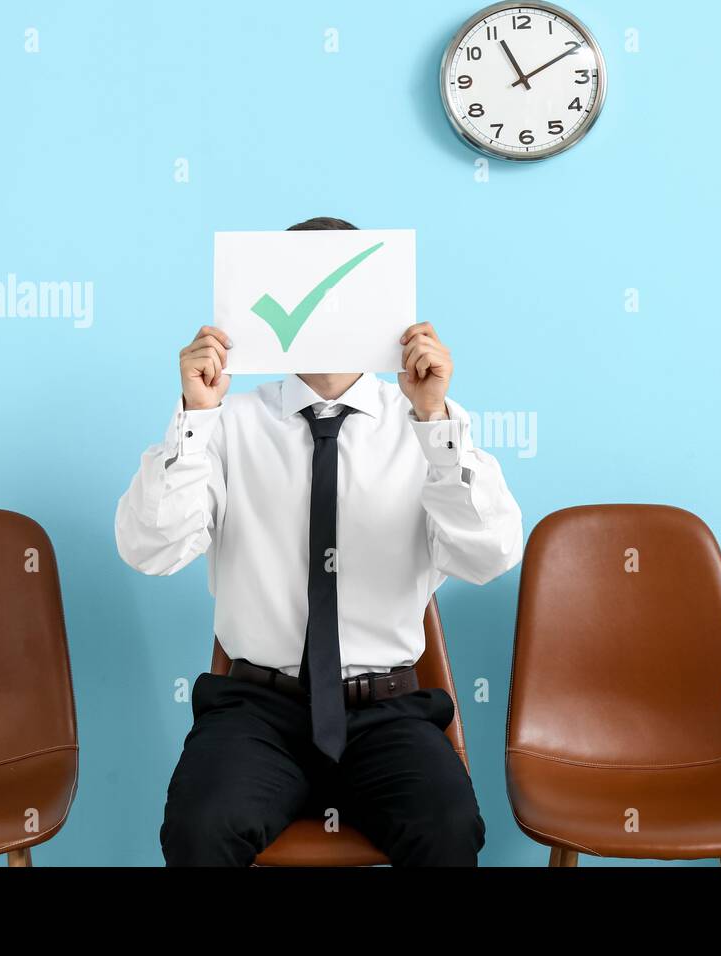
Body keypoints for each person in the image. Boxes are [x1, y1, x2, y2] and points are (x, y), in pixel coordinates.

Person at [114, 216, 524, 866]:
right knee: (199, 829)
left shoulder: (426, 427)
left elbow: (489, 556)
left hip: (384, 709)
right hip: (258, 710)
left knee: (448, 827)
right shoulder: (228, 424)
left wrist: (435, 423)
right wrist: (194, 417)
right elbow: (150, 550)